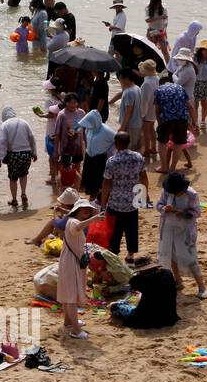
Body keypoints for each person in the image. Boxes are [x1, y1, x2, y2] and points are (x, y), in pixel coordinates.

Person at [156, 171, 207, 298]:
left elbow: (197, 212)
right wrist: (164, 208)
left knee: (190, 257)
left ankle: (202, 287)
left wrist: (183, 213)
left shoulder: (192, 194)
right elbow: (158, 205)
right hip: (168, 228)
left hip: (185, 231)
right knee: (171, 255)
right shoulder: (167, 191)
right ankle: (178, 280)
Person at [101, 132, 147, 263]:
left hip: (116, 202)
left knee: (115, 230)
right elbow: (144, 177)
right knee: (132, 228)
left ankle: (113, 253)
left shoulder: (112, 161)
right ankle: (130, 254)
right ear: (129, 142)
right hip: (133, 200)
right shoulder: (138, 157)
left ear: (116, 143)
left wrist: (103, 203)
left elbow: (106, 183)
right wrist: (144, 194)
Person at [57, 199, 98, 339]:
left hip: (71, 261)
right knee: (71, 297)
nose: (86, 210)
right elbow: (79, 226)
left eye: (88, 209)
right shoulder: (74, 222)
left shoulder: (72, 220)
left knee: (68, 294)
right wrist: (94, 218)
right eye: (83, 209)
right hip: (70, 263)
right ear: (77, 210)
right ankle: (76, 330)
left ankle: (68, 322)